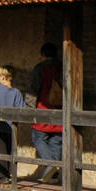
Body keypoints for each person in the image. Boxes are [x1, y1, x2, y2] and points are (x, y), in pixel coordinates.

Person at [28, 43, 63, 183]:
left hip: (43, 109)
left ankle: (51, 165)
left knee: (38, 137)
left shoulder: (40, 68)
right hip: (60, 111)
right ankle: (53, 175)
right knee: (56, 141)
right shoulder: (63, 68)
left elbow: (33, 90)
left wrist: (30, 109)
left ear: (43, 55)